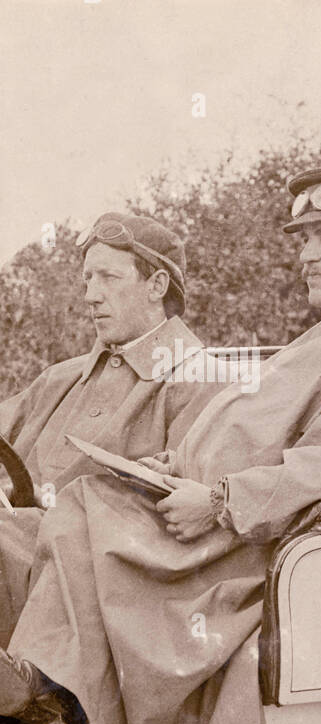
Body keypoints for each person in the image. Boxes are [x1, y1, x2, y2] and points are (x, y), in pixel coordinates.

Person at [0, 167, 321, 724]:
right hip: (201, 514)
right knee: (88, 504)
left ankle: (39, 720)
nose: (307, 254)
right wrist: (165, 468)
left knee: (80, 513)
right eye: (304, 239)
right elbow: (248, 432)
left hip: (227, 547)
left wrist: (222, 500)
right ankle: (37, 713)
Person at [0, 213, 217, 644]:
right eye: (86, 280)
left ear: (156, 286)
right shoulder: (62, 377)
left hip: (89, 577)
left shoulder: (201, 381)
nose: (90, 296)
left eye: (107, 278)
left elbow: (181, 521)